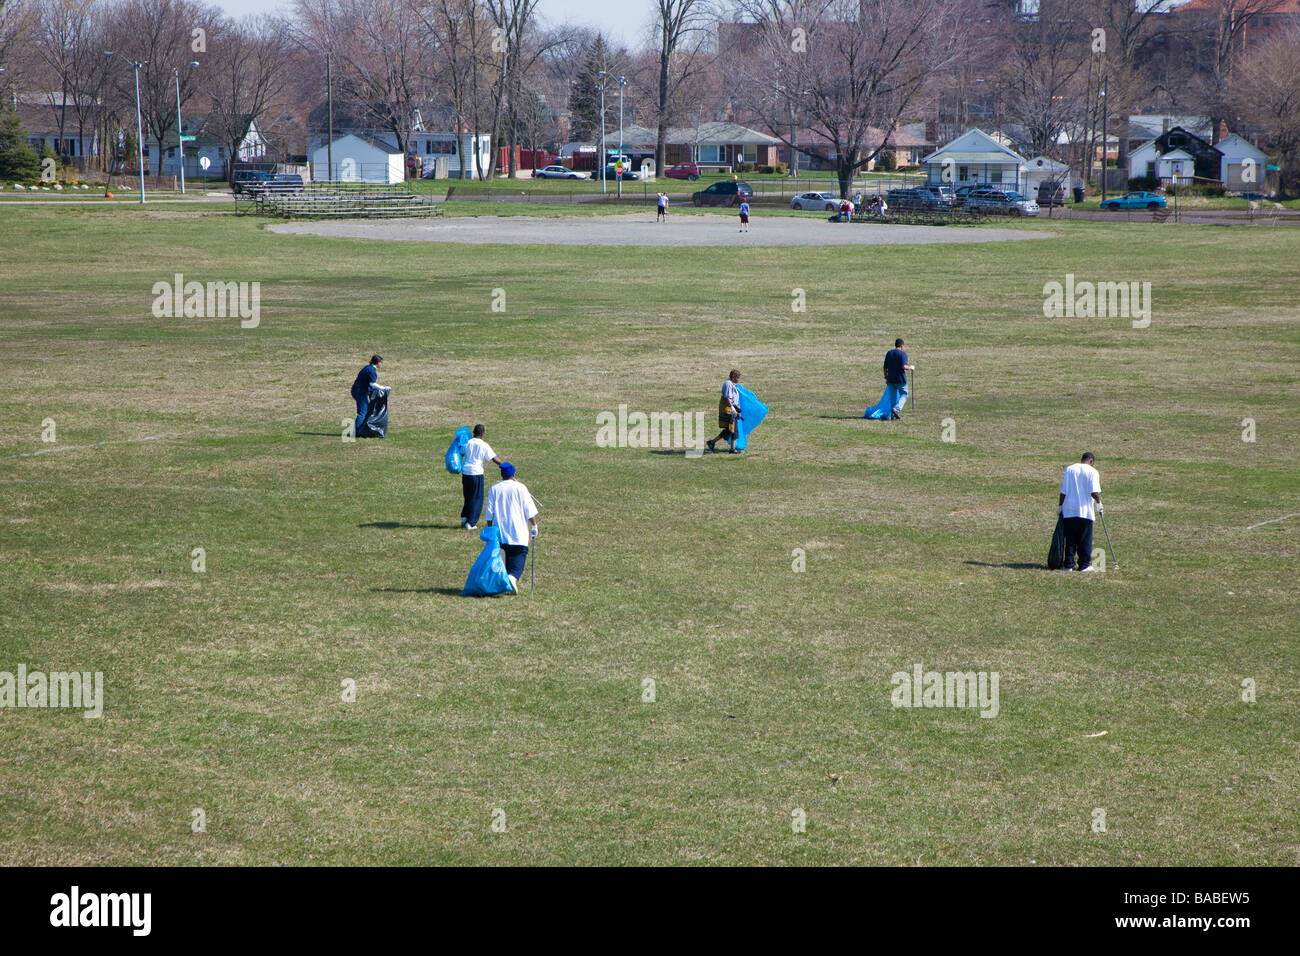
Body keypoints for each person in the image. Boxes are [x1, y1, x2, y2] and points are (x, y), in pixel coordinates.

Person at [484, 461, 539, 592]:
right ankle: (512, 578)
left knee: (503, 558)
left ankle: (504, 581)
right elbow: (529, 509)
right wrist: (534, 525)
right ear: (513, 474)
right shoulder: (521, 488)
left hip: (501, 533)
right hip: (518, 532)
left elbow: (489, 513)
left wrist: (490, 529)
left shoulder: (495, 488)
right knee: (518, 559)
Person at [1059, 452, 1102, 572]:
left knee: (1070, 538)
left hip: (1069, 510)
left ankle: (1068, 564)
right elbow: (1094, 492)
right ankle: (1084, 565)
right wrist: (1099, 503)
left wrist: (1060, 506)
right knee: (1084, 539)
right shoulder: (1093, 472)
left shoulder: (1070, 469)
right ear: (1092, 461)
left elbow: (1063, 491)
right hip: (1085, 511)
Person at [460, 424, 502, 530]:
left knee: (468, 496)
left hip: (466, 473)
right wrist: (505, 466)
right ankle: (471, 523)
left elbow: (461, 453)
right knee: (477, 498)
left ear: (473, 432)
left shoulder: (468, 442)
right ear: (482, 433)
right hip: (476, 473)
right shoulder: (484, 445)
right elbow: (494, 458)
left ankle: (464, 517)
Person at [707, 369, 742, 453]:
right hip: (728, 409)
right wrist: (732, 408)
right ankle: (731, 449)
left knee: (731, 429)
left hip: (732, 409)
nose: (738, 379)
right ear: (733, 377)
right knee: (732, 428)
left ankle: (712, 442)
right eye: (737, 377)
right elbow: (727, 398)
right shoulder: (728, 384)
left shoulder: (732, 384)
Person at [882, 338, 914, 419]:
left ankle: (893, 416)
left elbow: (885, 367)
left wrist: (886, 376)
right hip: (900, 379)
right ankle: (896, 409)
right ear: (902, 345)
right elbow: (904, 366)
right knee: (904, 394)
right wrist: (911, 367)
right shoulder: (902, 354)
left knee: (893, 398)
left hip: (890, 379)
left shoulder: (889, 353)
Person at [351, 354, 383, 436]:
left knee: (365, 410)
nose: (381, 364)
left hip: (358, 391)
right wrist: (383, 388)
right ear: (378, 362)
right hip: (360, 392)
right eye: (381, 362)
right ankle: (357, 432)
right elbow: (372, 384)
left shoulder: (367, 368)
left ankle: (362, 429)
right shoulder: (371, 370)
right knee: (363, 412)